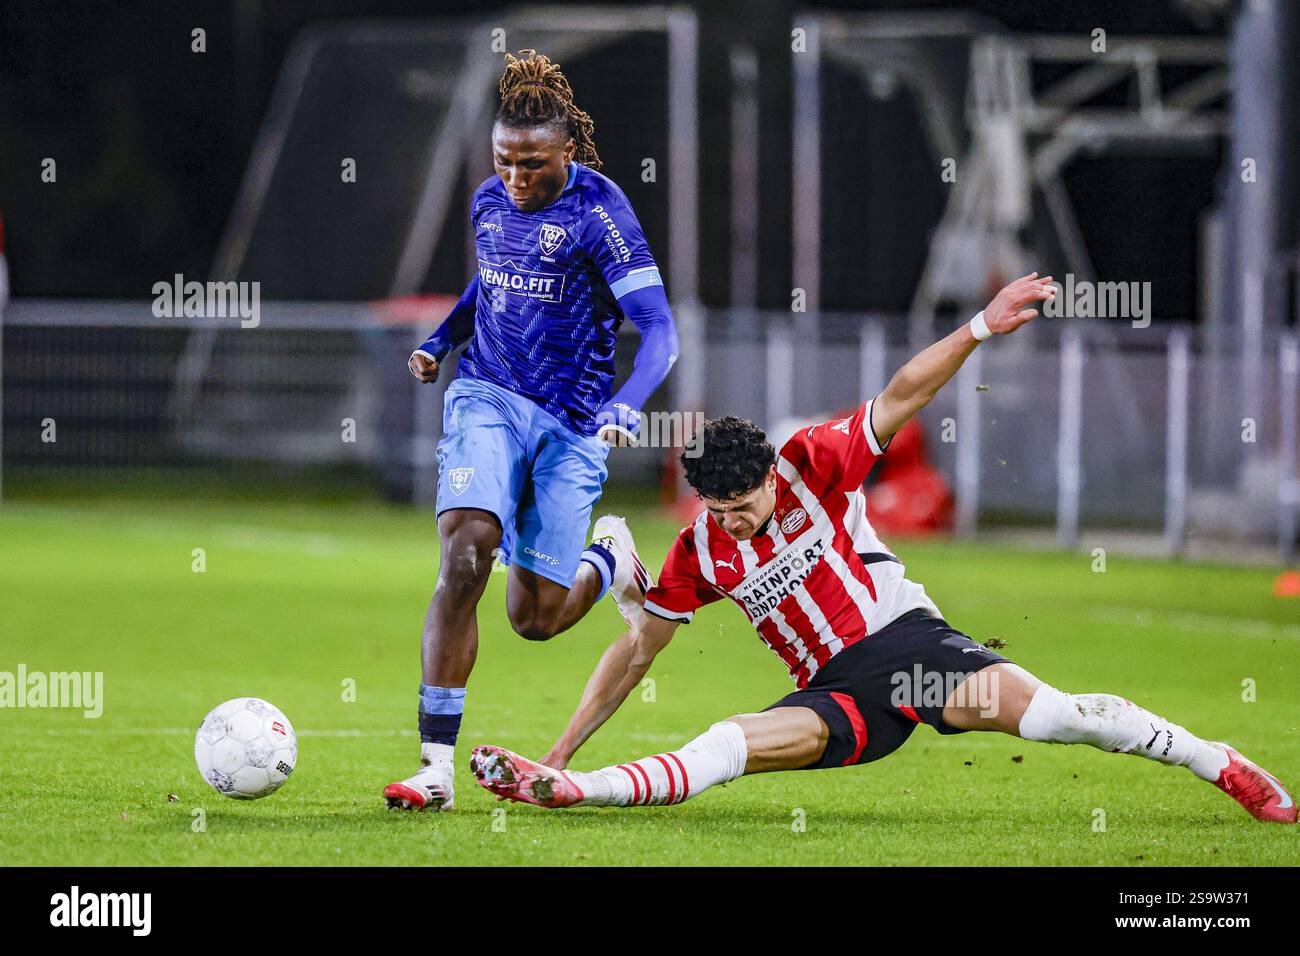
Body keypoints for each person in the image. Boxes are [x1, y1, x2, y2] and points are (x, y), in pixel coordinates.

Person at [469, 272, 1297, 825]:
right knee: (727, 742)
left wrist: (979, 326)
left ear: (770, 473)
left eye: (744, 505)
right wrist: (562, 746)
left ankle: (1216, 760)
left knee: (1053, 718)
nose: (735, 523)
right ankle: (572, 789)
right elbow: (635, 653)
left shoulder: (815, 463)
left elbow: (905, 392)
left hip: (909, 653)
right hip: (838, 699)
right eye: (718, 510)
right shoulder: (703, 547)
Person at [384, 50, 675, 811]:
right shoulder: (489, 201)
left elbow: (659, 328)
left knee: (534, 619)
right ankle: (435, 770)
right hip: (487, 394)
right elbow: (487, 283)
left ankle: (607, 555)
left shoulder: (600, 214)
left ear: (567, 153)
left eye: (533, 164)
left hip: (573, 423)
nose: (517, 178)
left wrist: (628, 402)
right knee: (466, 549)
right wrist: (439, 342)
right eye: (504, 161)